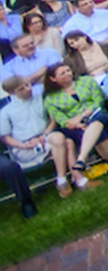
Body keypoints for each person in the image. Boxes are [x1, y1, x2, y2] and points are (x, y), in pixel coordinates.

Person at [42, 62, 108, 179]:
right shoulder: (50, 98)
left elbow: (99, 101)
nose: (67, 74)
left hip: (98, 114)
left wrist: (81, 116)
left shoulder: (87, 81)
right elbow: (61, 120)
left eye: (68, 70)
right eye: (62, 73)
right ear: (53, 79)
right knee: (97, 132)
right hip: (76, 127)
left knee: (97, 122)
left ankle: (82, 157)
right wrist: (77, 124)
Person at [1, 74, 72, 203]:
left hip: (45, 137)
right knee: (67, 143)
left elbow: (52, 121)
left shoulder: (40, 98)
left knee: (60, 139)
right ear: (12, 93)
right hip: (23, 147)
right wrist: (25, 145)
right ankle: (74, 178)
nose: (27, 89)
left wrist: (43, 136)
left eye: (27, 85)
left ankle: (62, 180)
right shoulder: (6, 111)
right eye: (21, 89)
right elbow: (6, 138)